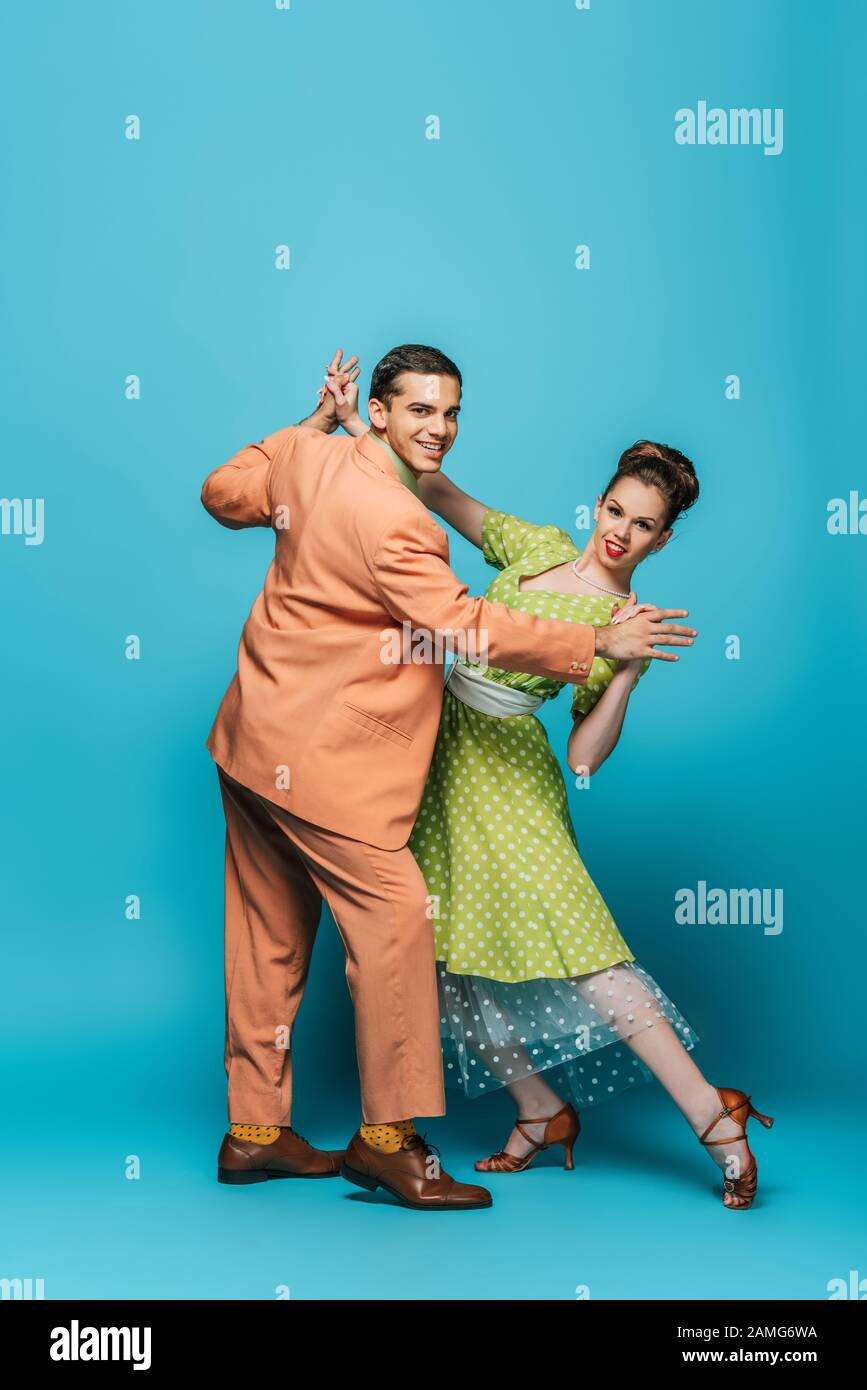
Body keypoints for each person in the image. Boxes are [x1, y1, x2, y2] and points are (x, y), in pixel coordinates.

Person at [200, 345, 697, 1212]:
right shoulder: (400, 522)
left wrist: (313, 424)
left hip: (250, 737)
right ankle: (388, 1145)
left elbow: (221, 491)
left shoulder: (303, 454)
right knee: (397, 925)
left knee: (268, 935)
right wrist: (594, 646)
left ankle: (254, 1133)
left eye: (450, 411)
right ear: (382, 411)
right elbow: (462, 622)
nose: (439, 427)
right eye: (420, 410)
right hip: (326, 764)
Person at [328, 370, 773, 1210]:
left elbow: (583, 756)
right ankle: (540, 1111)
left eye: (643, 527)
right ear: (595, 505)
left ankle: (714, 1118)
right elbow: (434, 487)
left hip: (508, 776)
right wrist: (362, 423)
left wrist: (627, 674)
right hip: (435, 754)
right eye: (614, 512)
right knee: (442, 957)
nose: (621, 534)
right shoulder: (531, 547)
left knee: (590, 959)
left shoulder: (629, 623)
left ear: (662, 540)